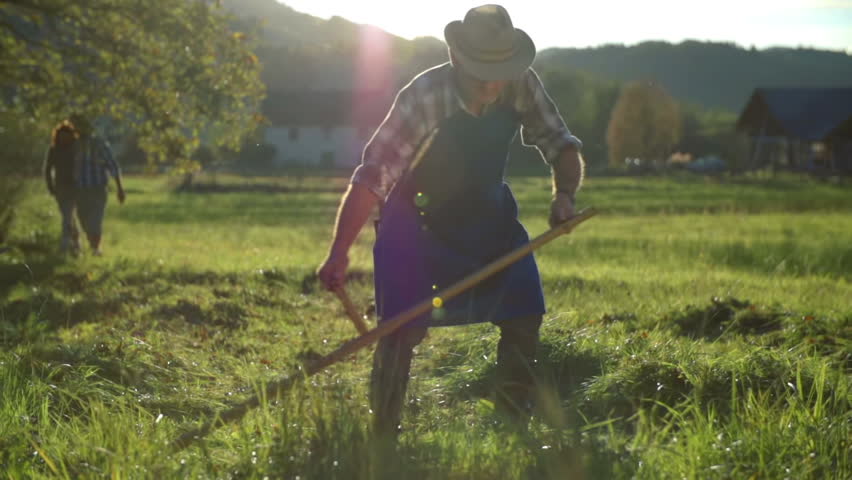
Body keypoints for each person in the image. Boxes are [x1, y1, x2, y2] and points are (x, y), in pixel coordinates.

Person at [317, 4, 585, 439]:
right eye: (483, 73)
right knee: (401, 330)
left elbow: (561, 142)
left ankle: (511, 426)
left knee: (524, 314)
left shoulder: (520, 84)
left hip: (488, 218)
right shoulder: (423, 97)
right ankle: (384, 435)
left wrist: (565, 196)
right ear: (457, 58)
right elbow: (373, 175)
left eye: (501, 71)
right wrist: (338, 253)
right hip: (413, 225)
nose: (494, 84)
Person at [67, 114, 126, 256]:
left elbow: (113, 166)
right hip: (79, 189)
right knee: (83, 219)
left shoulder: (99, 145)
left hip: (97, 188)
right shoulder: (73, 146)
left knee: (95, 219)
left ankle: (95, 249)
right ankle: (92, 244)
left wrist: (120, 188)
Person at [44, 121, 81, 254]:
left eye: (66, 136)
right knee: (69, 217)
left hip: (73, 188)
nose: (64, 139)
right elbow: (48, 169)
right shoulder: (53, 150)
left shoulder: (75, 149)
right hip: (60, 188)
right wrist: (50, 186)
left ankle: (64, 245)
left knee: (67, 216)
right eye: (61, 136)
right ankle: (77, 244)